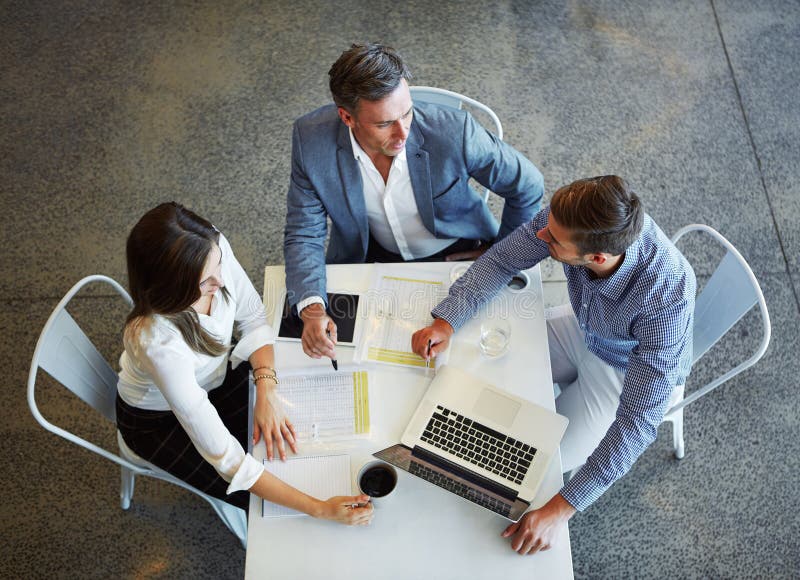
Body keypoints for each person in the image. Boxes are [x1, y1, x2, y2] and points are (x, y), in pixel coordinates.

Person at [411, 176, 696, 554]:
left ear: (596, 258)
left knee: (536, 461)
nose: (541, 234)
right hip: (585, 328)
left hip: (627, 373)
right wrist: (446, 320)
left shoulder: (665, 298)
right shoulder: (570, 217)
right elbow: (502, 259)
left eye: (554, 241)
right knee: (482, 367)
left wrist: (561, 510)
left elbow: (636, 424)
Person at [284, 42, 545, 363]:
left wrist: (500, 254)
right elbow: (303, 233)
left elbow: (528, 184)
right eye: (384, 124)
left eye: (407, 112)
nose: (403, 132)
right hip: (370, 256)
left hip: (459, 252)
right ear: (346, 117)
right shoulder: (310, 140)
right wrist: (312, 310)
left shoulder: (454, 131)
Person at [116, 202, 373, 524]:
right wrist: (319, 508)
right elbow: (228, 460)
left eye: (219, 266)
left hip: (216, 378)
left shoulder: (209, 248)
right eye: (205, 283)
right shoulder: (158, 343)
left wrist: (266, 390)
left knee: (295, 436)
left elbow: (253, 317)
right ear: (169, 291)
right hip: (159, 421)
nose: (221, 283)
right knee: (267, 503)